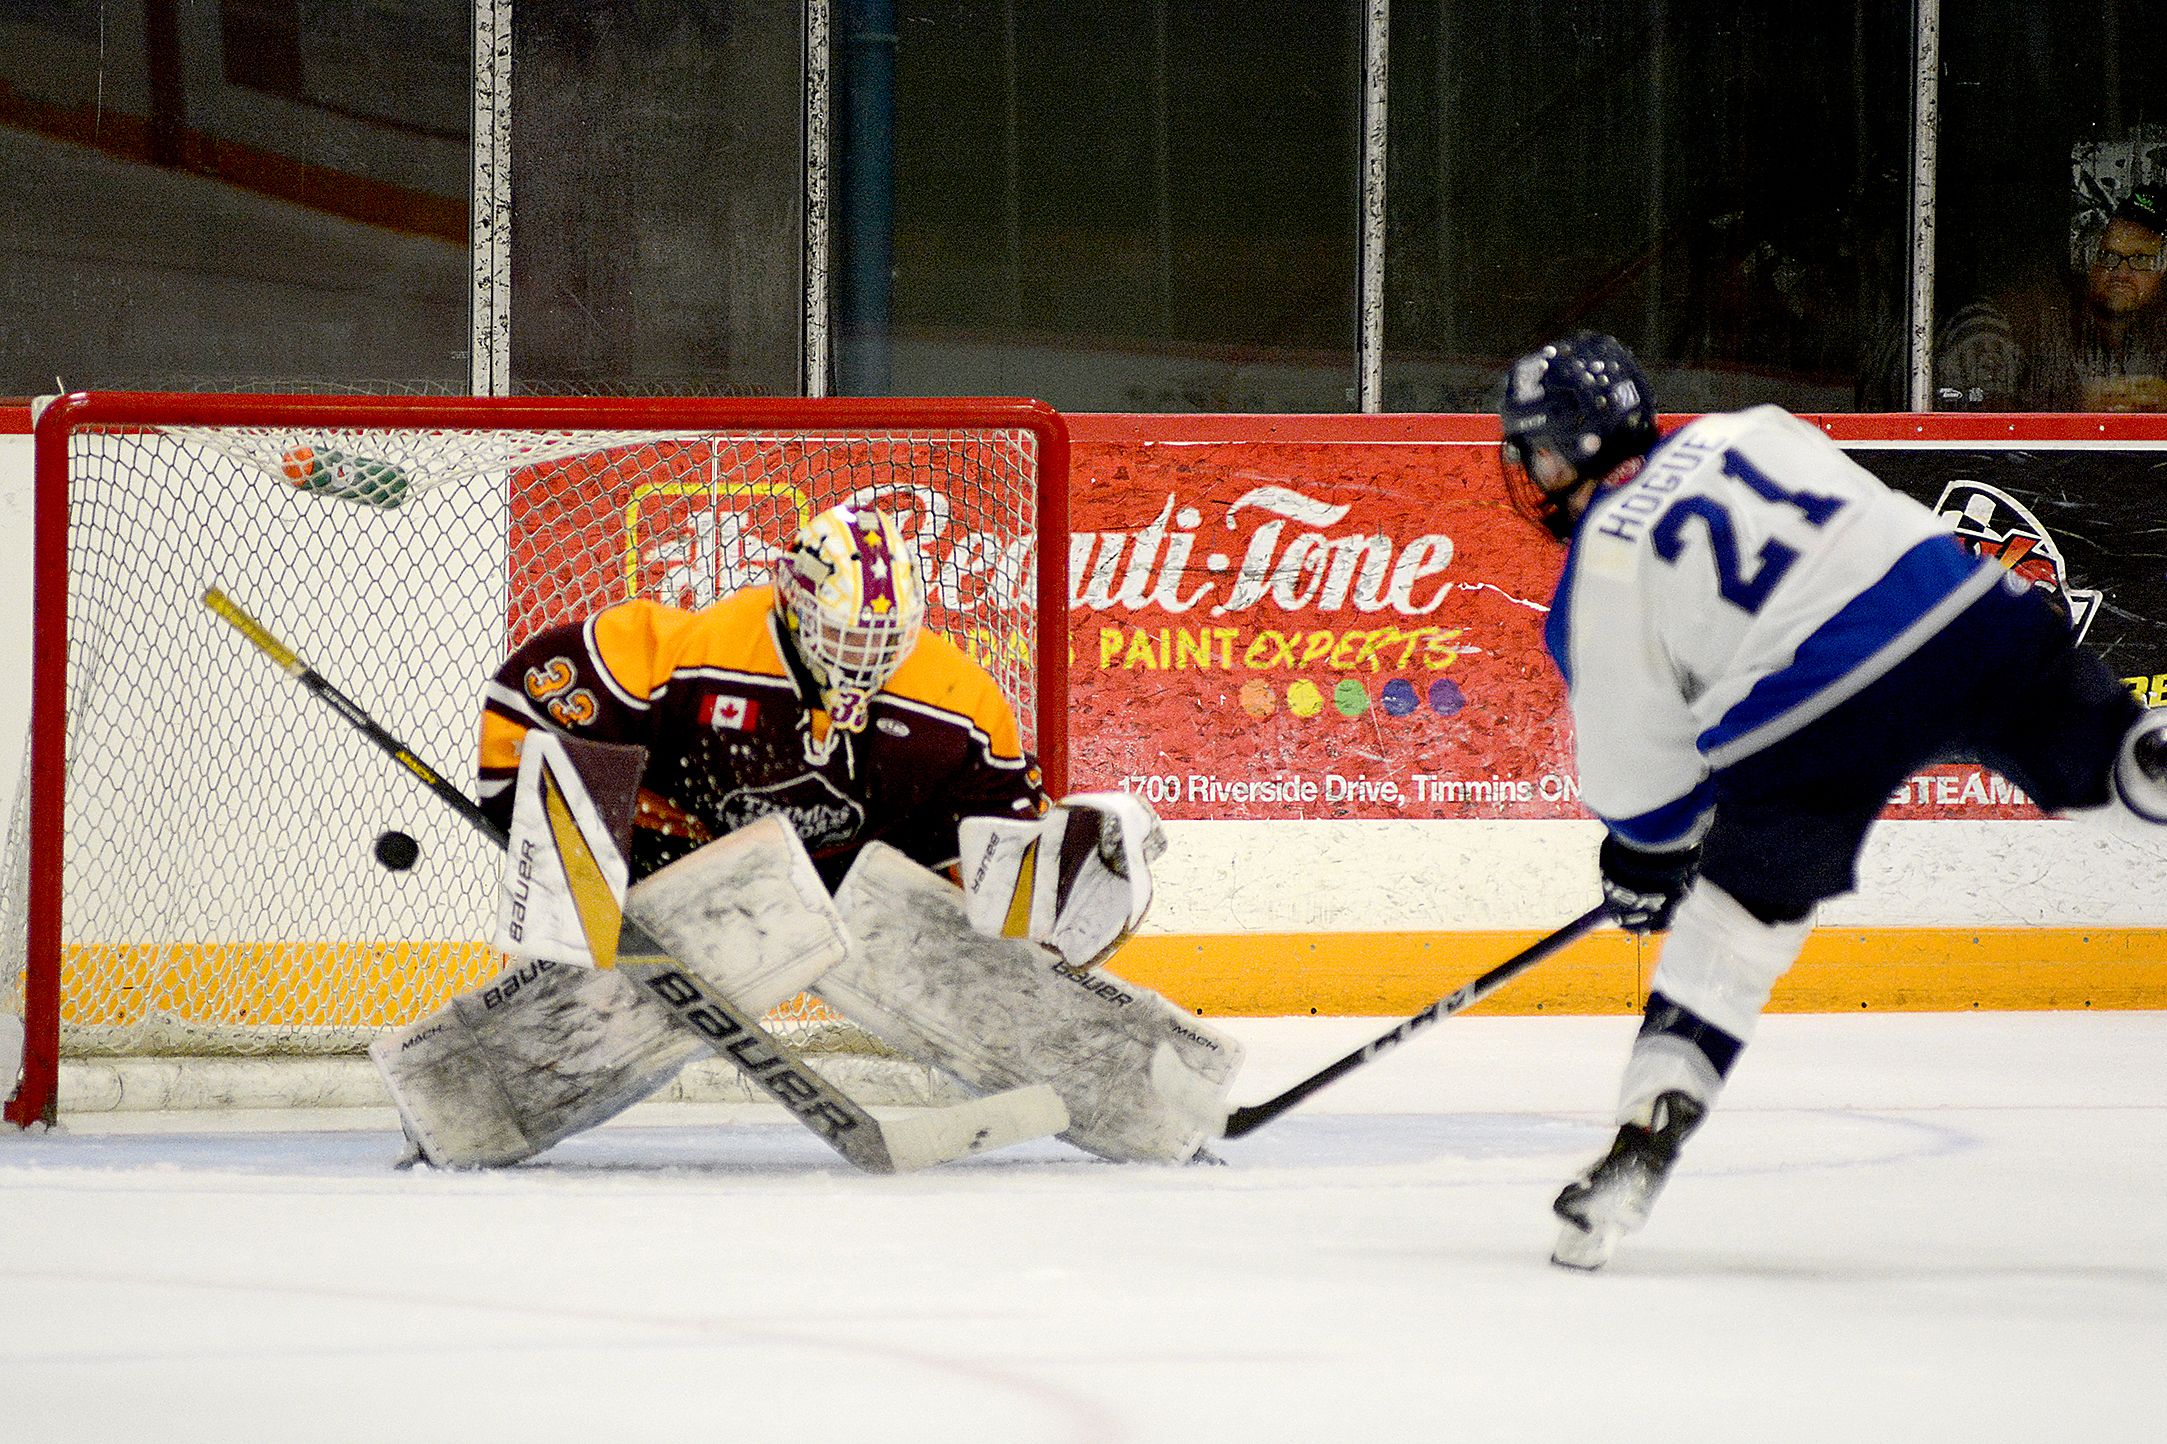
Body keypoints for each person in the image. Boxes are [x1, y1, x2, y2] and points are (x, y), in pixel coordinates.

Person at [1497, 331, 2167, 1270]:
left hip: (1806, 711)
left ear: (1562, 451)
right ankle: (2140, 760)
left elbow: (1639, 789)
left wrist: (1649, 856)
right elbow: (1869, 530)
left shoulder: (1597, 571)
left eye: (1531, 448)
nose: (1529, 469)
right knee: (2103, 756)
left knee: (1733, 927)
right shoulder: (1749, 429)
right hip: (1963, 609)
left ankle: (1639, 1144)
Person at [373, 502, 1239, 1169]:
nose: (862, 654)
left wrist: (1053, 890)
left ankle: (1151, 1101)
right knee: (730, 914)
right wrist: (570, 850)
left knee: (935, 946)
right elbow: (539, 689)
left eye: (883, 636)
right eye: (841, 631)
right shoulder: (695, 650)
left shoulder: (959, 699)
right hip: (698, 879)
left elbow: (982, 851)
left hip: (863, 893)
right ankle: (462, 1100)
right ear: (792, 600)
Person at [1936, 187, 2167, 411]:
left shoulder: (2153, 335)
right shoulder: (2014, 326)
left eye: (2141, 259)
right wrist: (2074, 405)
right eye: (2107, 255)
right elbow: (1980, 426)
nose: (2121, 274)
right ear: (2083, 261)